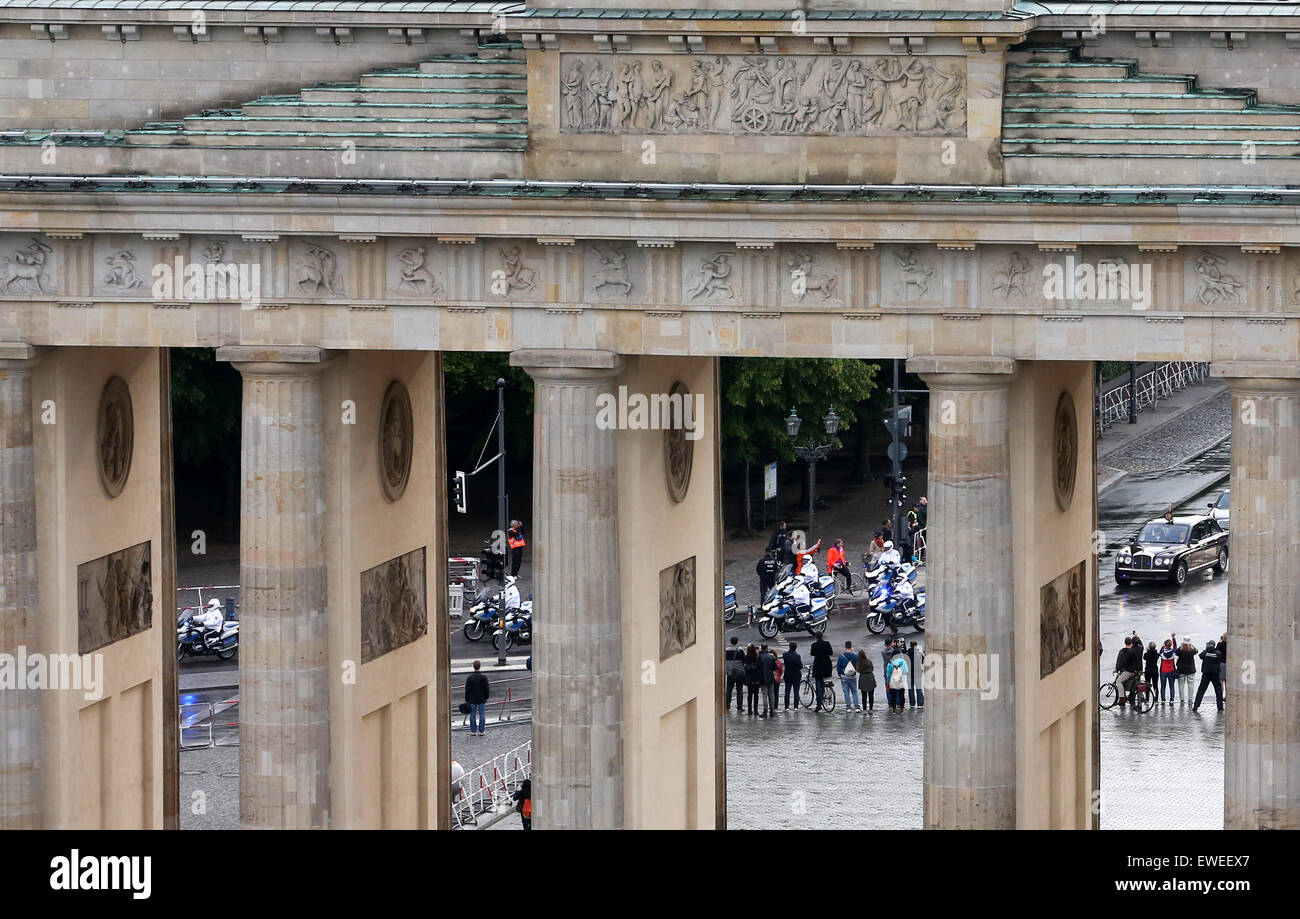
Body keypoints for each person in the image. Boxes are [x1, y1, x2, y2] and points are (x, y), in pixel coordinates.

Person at [1193, 640, 1223, 712]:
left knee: (1201, 690)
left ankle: (1196, 705)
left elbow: (1200, 656)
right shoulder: (1217, 653)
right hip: (1215, 674)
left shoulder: (1205, 653)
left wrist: (1207, 650)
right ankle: (1220, 707)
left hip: (1206, 674)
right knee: (1218, 690)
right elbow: (1220, 657)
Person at [809, 631, 834, 712]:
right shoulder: (827, 643)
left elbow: (812, 654)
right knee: (823, 681)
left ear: (816, 637)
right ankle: (823, 695)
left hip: (818, 666)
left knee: (818, 685)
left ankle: (819, 705)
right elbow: (831, 652)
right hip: (827, 666)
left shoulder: (814, 645)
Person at [465, 660, 490, 735]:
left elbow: (467, 689)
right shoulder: (483, 677)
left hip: (472, 699)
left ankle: (473, 731)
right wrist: (486, 696)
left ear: (473, 666)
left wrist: (466, 699)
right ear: (480, 666)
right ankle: (481, 731)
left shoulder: (469, 678)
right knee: (482, 715)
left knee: (472, 715)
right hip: (481, 698)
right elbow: (486, 688)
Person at [1113, 636, 1139, 707]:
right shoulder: (1136, 650)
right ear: (1131, 643)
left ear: (1125, 642)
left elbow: (1122, 662)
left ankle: (1122, 699)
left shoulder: (1123, 651)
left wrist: (1117, 668)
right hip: (1135, 671)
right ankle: (1127, 699)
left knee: (1118, 681)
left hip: (1128, 671)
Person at [885, 644, 910, 713]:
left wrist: (888, 679)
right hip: (901, 680)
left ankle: (894, 710)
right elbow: (906, 671)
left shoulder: (890, 663)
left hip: (893, 681)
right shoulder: (903, 662)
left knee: (893, 696)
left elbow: (888, 673)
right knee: (902, 695)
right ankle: (902, 710)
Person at [837, 641, 861, 712]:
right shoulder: (855, 656)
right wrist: (853, 652)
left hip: (844, 676)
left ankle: (848, 707)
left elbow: (838, 667)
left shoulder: (841, 656)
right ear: (851, 647)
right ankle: (857, 707)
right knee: (854, 691)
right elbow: (858, 664)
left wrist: (840, 674)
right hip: (852, 676)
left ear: (845, 647)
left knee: (846, 692)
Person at [724, 635, 746, 712]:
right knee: (739, 689)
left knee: (729, 689)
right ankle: (739, 707)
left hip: (730, 672)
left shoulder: (726, 650)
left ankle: (727, 706)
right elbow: (744, 660)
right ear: (737, 642)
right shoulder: (740, 650)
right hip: (740, 672)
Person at [1175, 636, 1198, 705]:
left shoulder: (1180, 650)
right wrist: (1191, 645)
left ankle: (1182, 699)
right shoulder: (1192, 650)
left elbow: (1176, 652)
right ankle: (1190, 699)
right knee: (1190, 685)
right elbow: (1196, 650)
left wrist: (1181, 645)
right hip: (1190, 670)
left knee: (1181, 686)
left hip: (1181, 670)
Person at [758, 643, 779, 717]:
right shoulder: (771, 656)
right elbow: (775, 667)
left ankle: (765, 711)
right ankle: (772, 711)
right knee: (771, 695)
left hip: (762, 678)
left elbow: (756, 668)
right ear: (767, 648)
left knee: (764, 695)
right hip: (770, 678)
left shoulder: (758, 657)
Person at [782, 641, 803, 710]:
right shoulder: (797, 656)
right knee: (796, 691)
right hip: (796, 675)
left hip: (788, 675)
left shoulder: (785, 655)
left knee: (787, 691)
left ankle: (786, 706)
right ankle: (795, 706)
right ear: (795, 648)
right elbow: (800, 666)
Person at [1158, 639, 1178, 704]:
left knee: (1163, 686)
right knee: (1172, 686)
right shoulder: (1173, 652)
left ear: (1165, 645)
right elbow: (1175, 647)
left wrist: (1163, 646)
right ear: (1171, 645)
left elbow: (1160, 651)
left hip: (1163, 671)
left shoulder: (1162, 653)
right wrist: (1173, 638)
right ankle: (1171, 700)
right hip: (1171, 670)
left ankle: (1163, 700)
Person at [907, 639, 925, 708]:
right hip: (918, 674)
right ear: (916, 646)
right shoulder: (919, 654)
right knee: (918, 688)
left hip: (909, 674)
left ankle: (912, 704)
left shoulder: (907, 654)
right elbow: (923, 661)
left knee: (910, 689)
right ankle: (920, 703)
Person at [744, 644, 762, 715]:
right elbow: (760, 668)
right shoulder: (757, 657)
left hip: (749, 678)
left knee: (750, 694)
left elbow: (745, 667)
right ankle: (755, 710)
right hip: (756, 677)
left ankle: (749, 709)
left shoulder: (746, 657)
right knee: (756, 694)